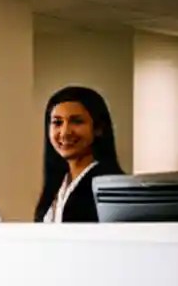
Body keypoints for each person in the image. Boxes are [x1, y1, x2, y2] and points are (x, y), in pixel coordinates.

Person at [34, 86, 125, 223]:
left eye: (76, 121)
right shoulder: (57, 184)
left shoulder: (112, 187)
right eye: (57, 123)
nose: (65, 132)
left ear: (98, 128)